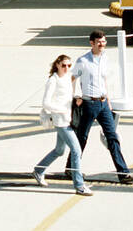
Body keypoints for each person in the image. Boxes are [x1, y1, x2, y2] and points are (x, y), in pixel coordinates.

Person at [71, 30, 133, 183]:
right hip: (89, 103)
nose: (102, 44)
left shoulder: (105, 58)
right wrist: (76, 96)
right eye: (99, 42)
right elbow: (72, 78)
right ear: (92, 43)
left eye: (104, 41)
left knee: (112, 137)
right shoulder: (83, 61)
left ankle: (123, 173)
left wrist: (108, 99)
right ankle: (71, 169)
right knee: (82, 137)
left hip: (103, 104)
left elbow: (104, 80)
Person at [33, 54, 91, 195]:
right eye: (64, 65)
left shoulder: (67, 77)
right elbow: (46, 103)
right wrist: (62, 110)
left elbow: (66, 96)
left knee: (59, 150)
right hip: (61, 121)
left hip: (68, 119)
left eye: (69, 65)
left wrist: (76, 99)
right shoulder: (53, 80)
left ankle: (38, 170)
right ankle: (79, 185)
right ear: (57, 64)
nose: (66, 68)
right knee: (76, 150)